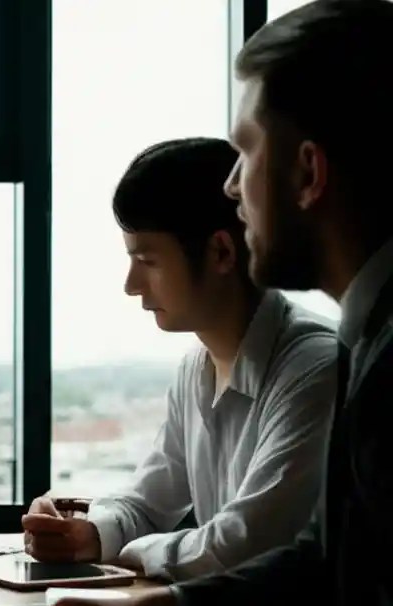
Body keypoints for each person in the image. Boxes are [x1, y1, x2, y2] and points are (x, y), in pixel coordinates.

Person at [13, 1, 393, 606]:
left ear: (309, 172)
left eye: (245, 153)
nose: (230, 187)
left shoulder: (353, 358)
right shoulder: (367, 336)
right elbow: (319, 560)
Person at [22, 138, 336, 581]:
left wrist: (128, 552)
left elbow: (245, 544)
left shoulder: (313, 369)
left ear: (221, 253)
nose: (131, 285)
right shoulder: (197, 367)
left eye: (146, 260)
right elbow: (148, 502)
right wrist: (88, 534)